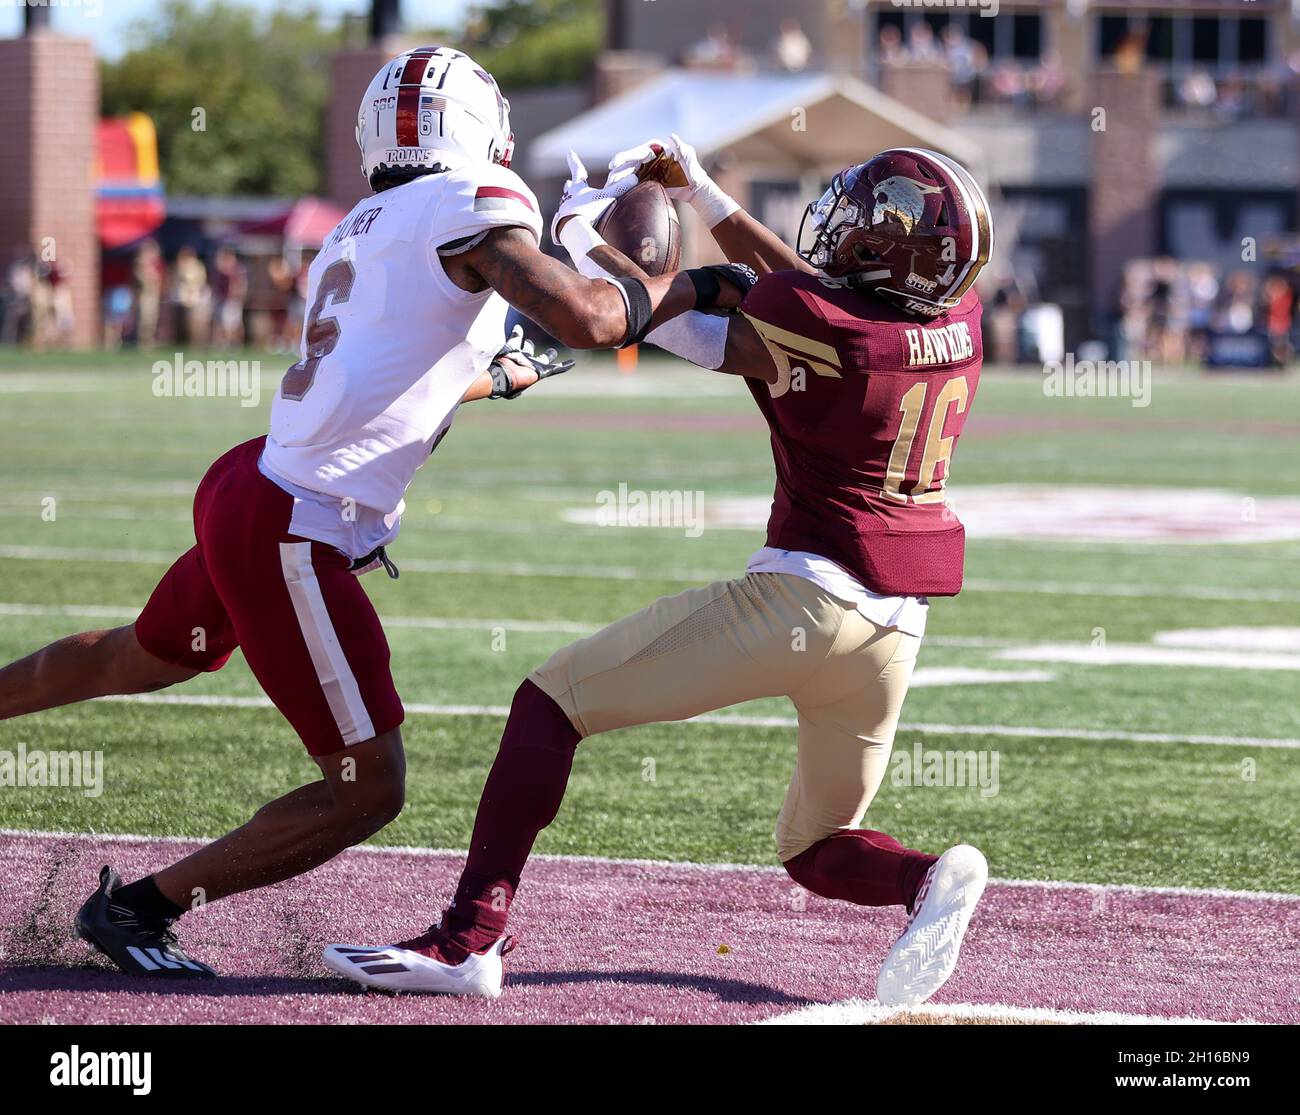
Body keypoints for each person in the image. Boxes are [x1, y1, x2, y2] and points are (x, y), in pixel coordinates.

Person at [0, 47, 752, 981]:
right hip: (297, 521)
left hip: (254, 479)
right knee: (366, 788)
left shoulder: (362, 221)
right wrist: (691, 282)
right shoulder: (471, 200)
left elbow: (390, 367)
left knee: (140, 656)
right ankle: (135, 909)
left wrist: (495, 377)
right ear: (482, 130)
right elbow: (594, 319)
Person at [325, 139, 995, 1007]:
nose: (840, 224)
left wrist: (575, 231)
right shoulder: (957, 319)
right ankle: (929, 876)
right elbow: (815, 293)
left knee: (547, 703)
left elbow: (672, 321)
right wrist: (706, 194)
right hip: (894, 629)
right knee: (817, 846)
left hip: (805, 598)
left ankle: (469, 938)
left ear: (881, 245)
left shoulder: (831, 329)